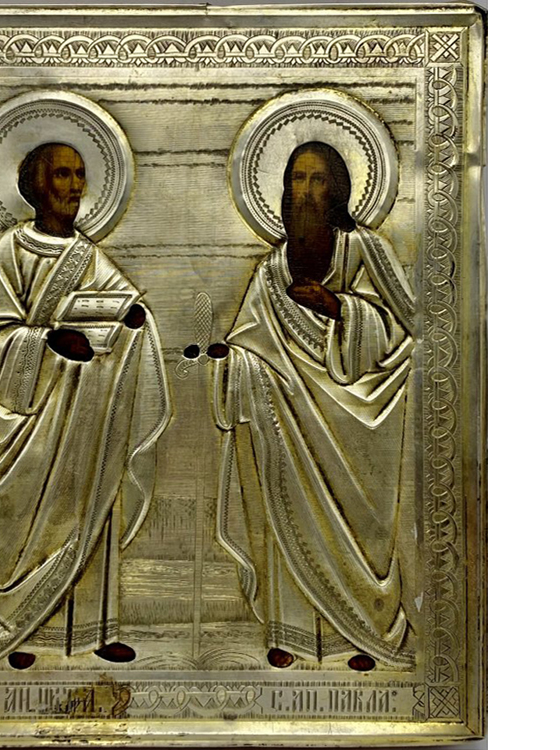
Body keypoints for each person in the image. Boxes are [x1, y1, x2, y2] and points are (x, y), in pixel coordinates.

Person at [0, 143, 171, 668]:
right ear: (36, 184)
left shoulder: (87, 255)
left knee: (90, 510)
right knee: (24, 531)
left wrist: (135, 321)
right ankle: (17, 631)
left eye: (79, 175)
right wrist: (48, 342)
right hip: (29, 426)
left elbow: (124, 305)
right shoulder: (10, 251)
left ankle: (95, 632)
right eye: (62, 175)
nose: (75, 186)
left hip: (85, 417)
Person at [210, 142, 416, 669]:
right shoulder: (269, 271)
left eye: (317, 180)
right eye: (296, 180)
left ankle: (367, 634)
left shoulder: (365, 251)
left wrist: (342, 309)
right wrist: (232, 364)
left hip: (359, 424)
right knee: (288, 515)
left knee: (360, 533)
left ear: (338, 190)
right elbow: (249, 343)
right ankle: (292, 635)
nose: (304, 192)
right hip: (288, 427)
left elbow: (411, 331)